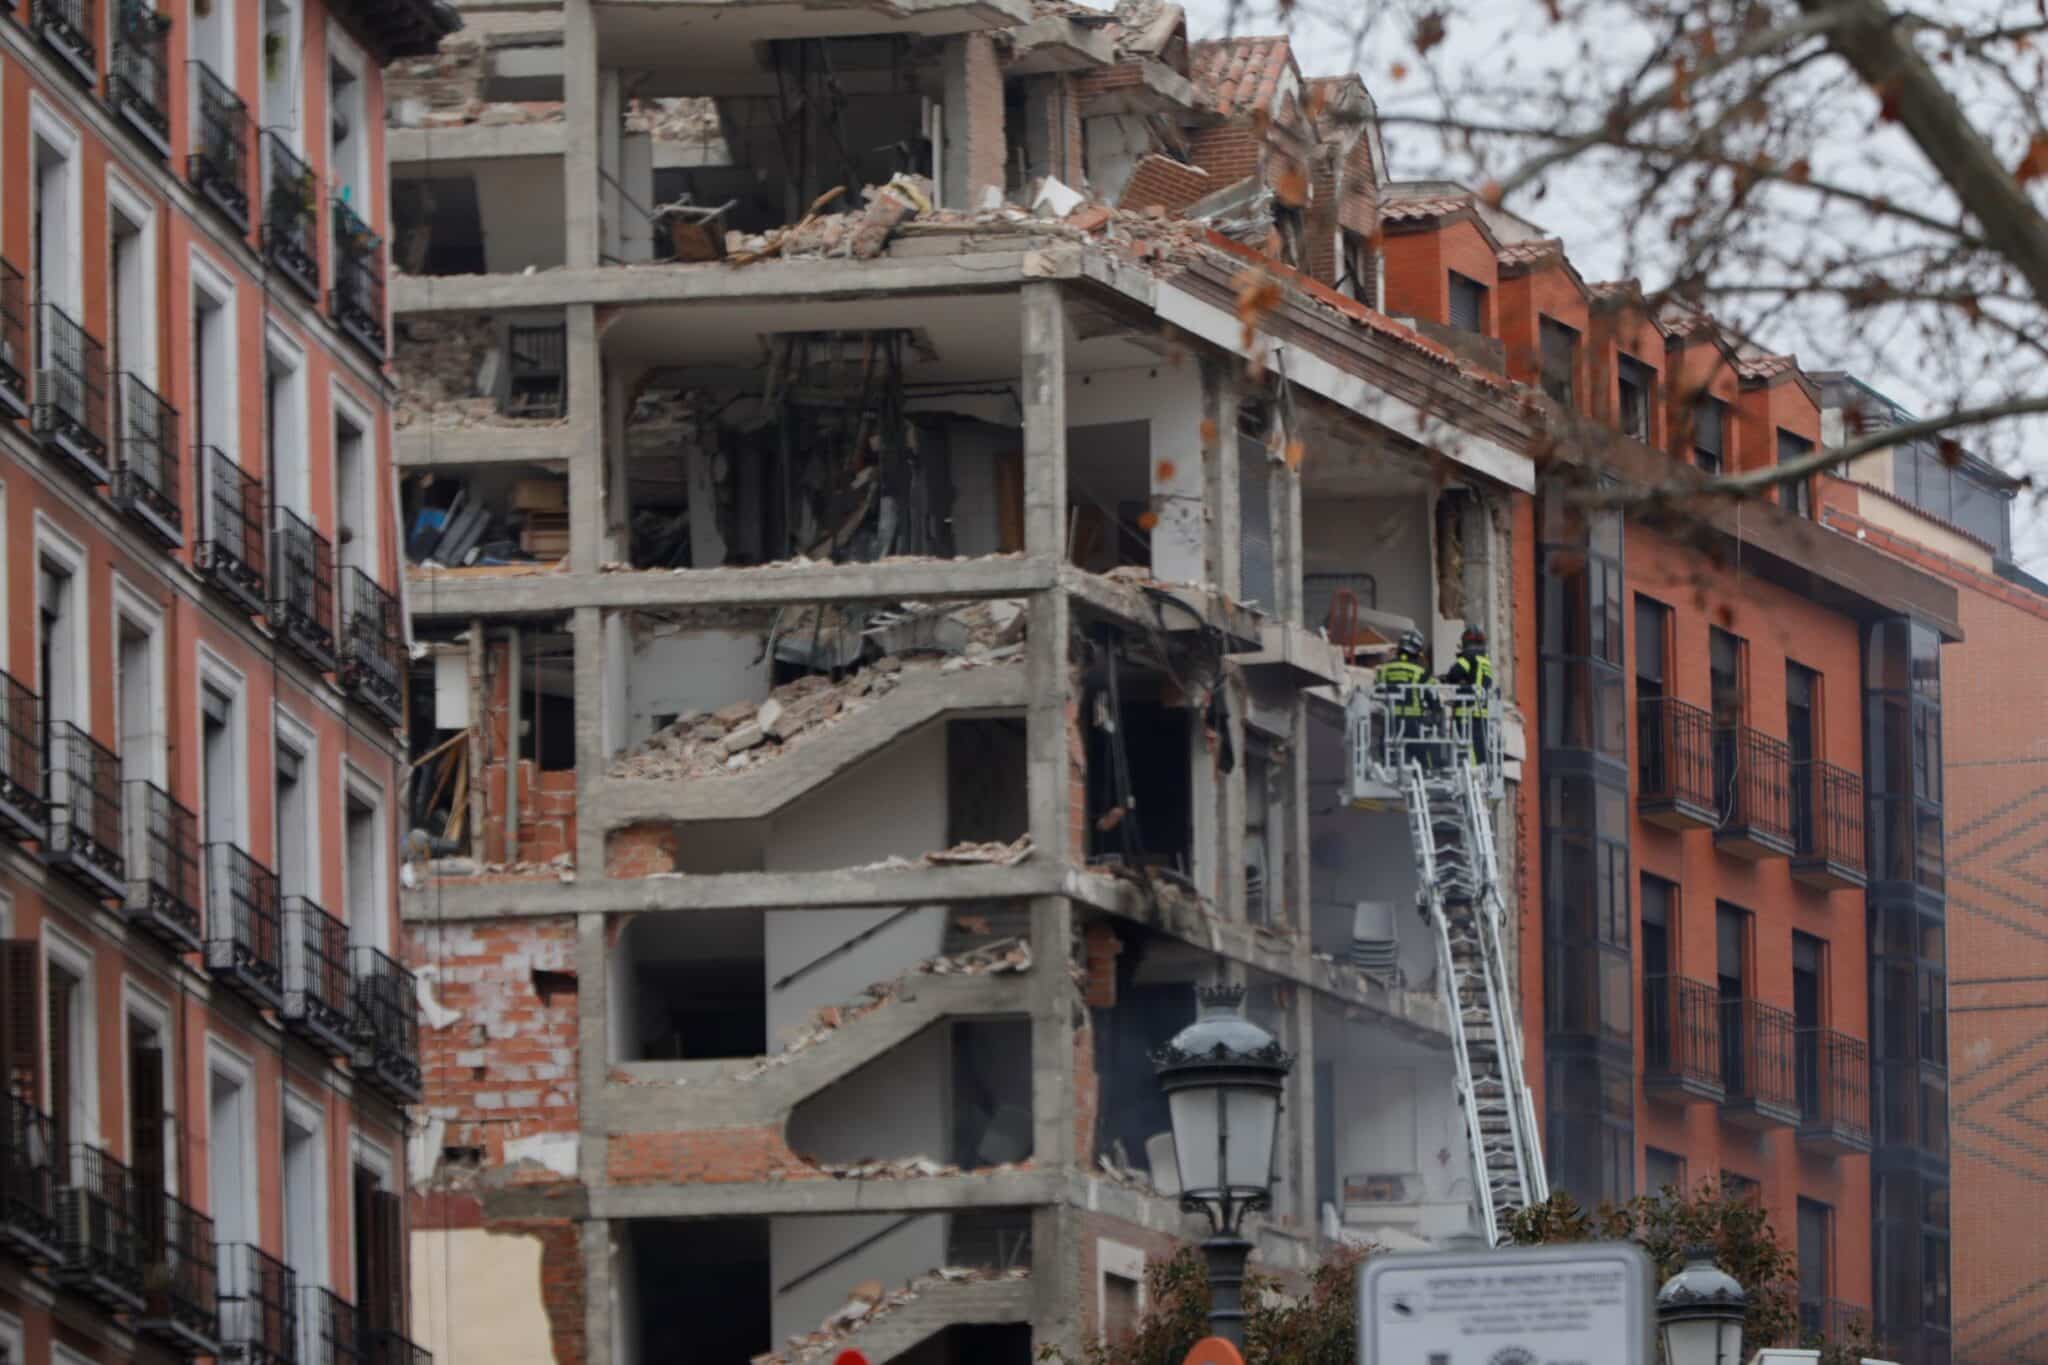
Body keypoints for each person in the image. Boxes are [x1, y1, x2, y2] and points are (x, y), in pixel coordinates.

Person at [1376, 629, 1438, 771]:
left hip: (1390, 720)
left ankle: (1389, 771)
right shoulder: (1420, 671)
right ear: (1417, 650)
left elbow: (1378, 691)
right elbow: (1432, 696)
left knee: (1386, 753)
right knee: (1422, 755)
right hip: (1412, 721)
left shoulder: (1385, 669)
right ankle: (1427, 773)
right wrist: (1435, 712)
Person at [1440, 624, 1495, 766]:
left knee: (1463, 748)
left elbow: (1455, 673)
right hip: (1481, 711)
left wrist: (1445, 679)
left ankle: (1466, 772)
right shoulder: (1486, 660)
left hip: (1466, 711)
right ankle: (1481, 774)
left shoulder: (1469, 657)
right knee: (1480, 748)